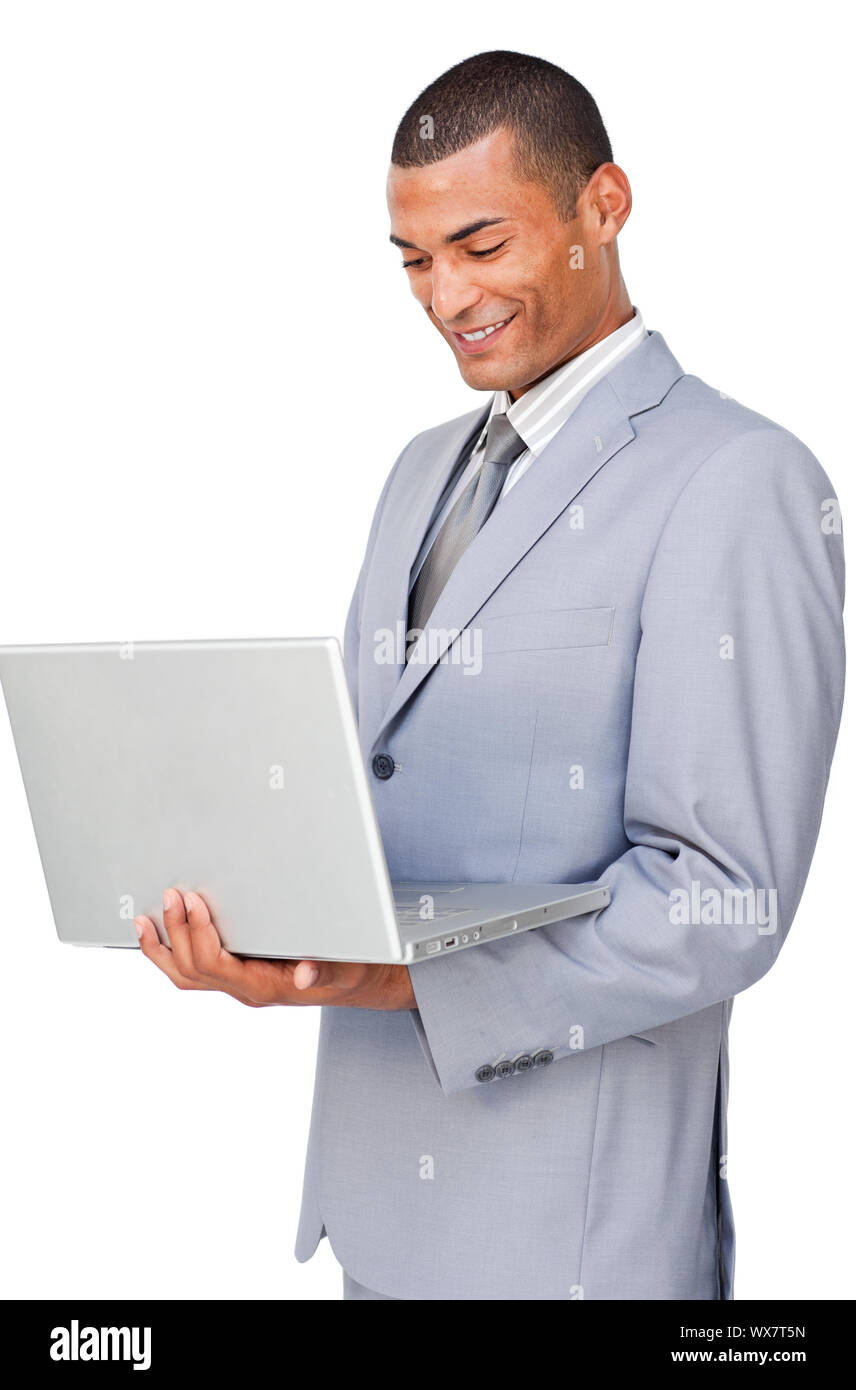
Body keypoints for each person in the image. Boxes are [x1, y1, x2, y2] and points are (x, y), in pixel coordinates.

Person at [135, 49, 846, 1300]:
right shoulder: (418, 471)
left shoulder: (739, 482)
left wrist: (398, 979)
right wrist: (257, 902)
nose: (443, 295)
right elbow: (376, 779)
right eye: (412, 260)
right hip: (376, 1219)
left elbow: (718, 898)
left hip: (569, 1248)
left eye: (478, 244)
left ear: (602, 208)